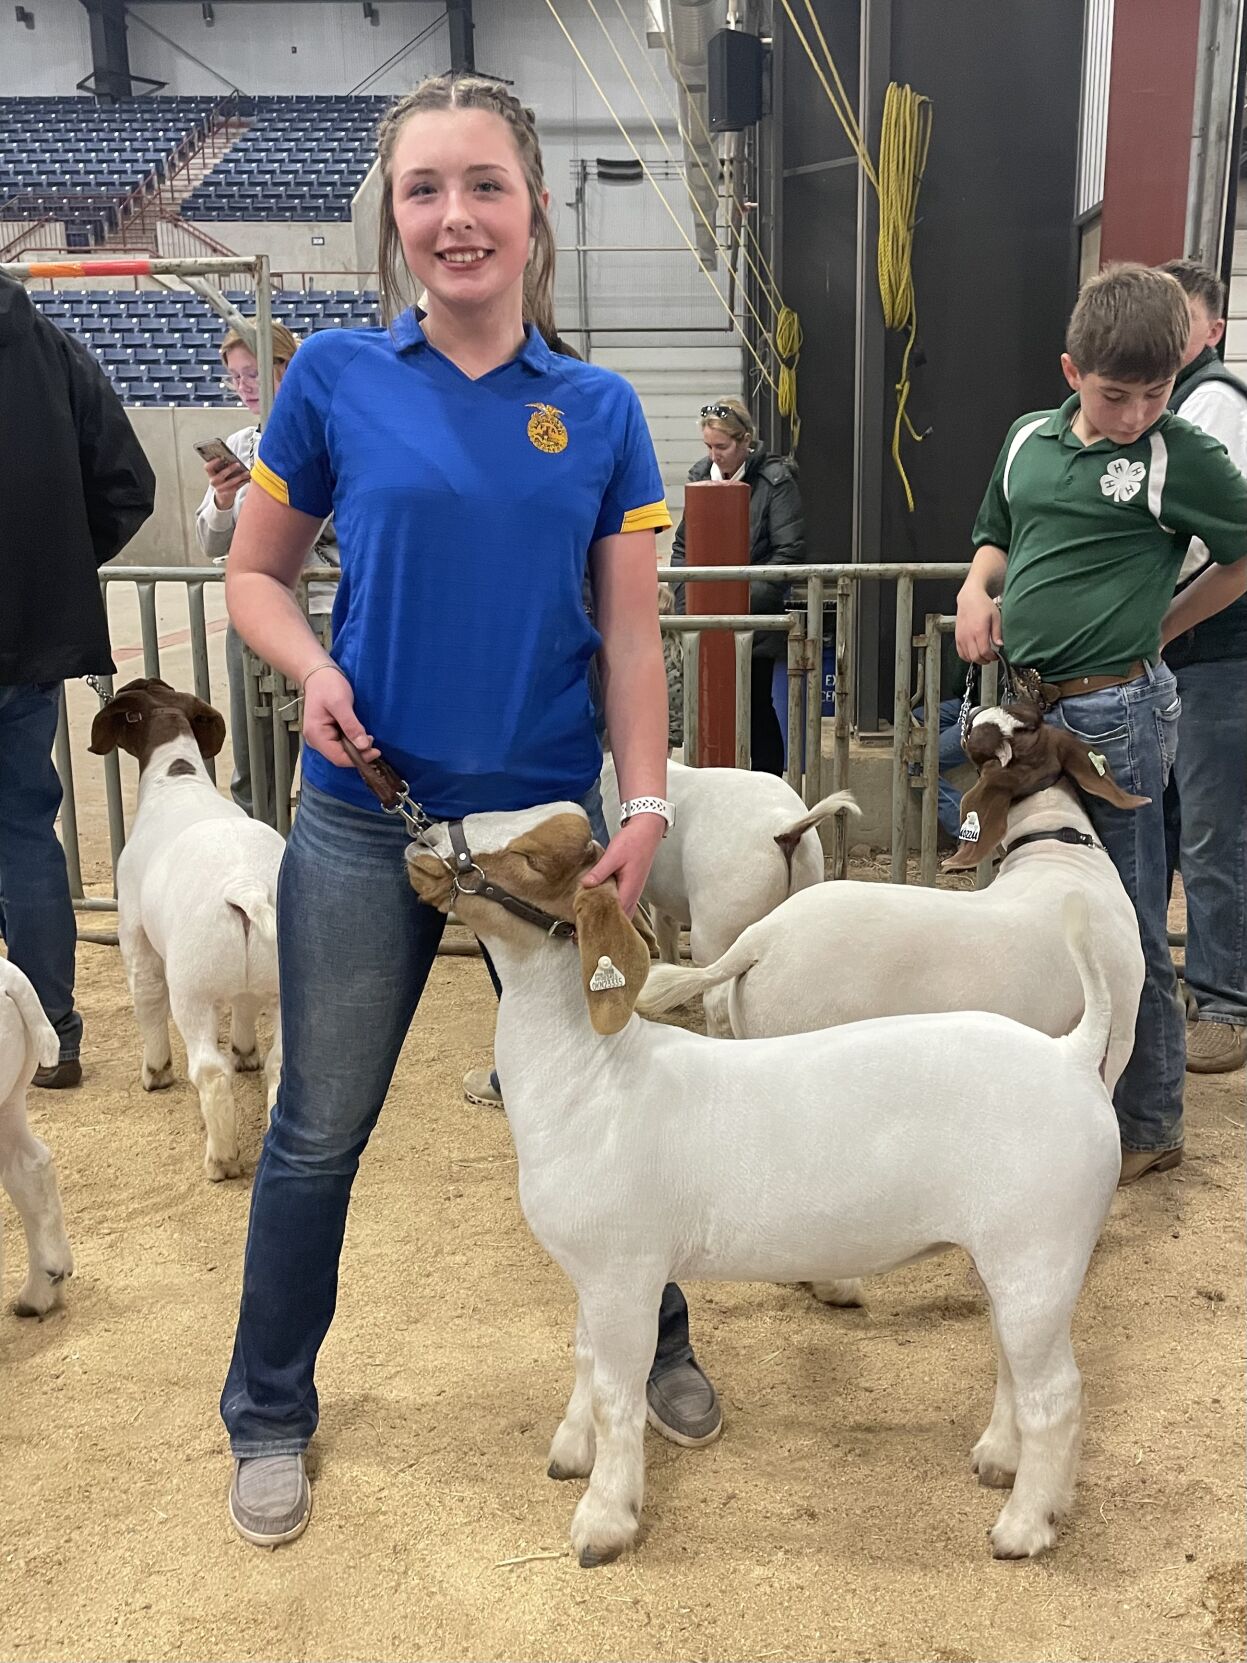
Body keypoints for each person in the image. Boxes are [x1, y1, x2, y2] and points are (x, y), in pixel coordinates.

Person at [219, 72, 720, 1549]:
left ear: (533, 207)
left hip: (544, 832)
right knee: (320, 1121)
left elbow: (631, 637)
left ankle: (663, 1337)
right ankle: (266, 1406)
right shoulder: (329, 379)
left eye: (482, 185)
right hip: (365, 814)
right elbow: (253, 575)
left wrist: (643, 803)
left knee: (611, 1095)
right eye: (423, 189)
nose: (453, 217)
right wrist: (311, 667)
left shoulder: (602, 409)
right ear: (392, 215)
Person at [958, 262, 1247, 1185]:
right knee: (1023, 896)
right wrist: (974, 587)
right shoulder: (1025, 440)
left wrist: (1161, 626)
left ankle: (1149, 1119)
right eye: (1115, 393)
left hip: (1114, 713)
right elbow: (999, 533)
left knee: (1119, 916)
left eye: (1155, 393)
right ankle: (1051, 1088)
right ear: (1070, 368)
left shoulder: (1177, 454)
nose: (1133, 414)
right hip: (1022, 702)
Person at [0, 274, 155, 1089]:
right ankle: (52, 1033)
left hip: (27, 633)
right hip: (24, 639)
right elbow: (129, 484)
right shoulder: (53, 349)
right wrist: (50, 568)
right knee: (25, 827)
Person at [1155, 258, 1246, 1074]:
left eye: (1177, 315)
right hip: (1188, 649)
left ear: (1210, 329)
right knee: (1179, 825)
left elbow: (1189, 533)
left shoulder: (1210, 400)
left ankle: (1223, 1001)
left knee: (1212, 830)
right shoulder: (1171, 404)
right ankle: (1190, 988)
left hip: (1216, 650)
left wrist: (1141, 605)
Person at [195, 322, 339, 823]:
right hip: (255, 616)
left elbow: (327, 528)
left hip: (321, 611)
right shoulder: (241, 440)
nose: (245, 386)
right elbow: (211, 541)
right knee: (258, 760)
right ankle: (261, 852)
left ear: (286, 368)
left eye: (254, 373)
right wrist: (224, 497)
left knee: (332, 752)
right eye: (235, 378)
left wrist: (267, 501)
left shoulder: (324, 434)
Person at [668, 397, 805, 774]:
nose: (715, 456)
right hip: (707, 621)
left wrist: (740, 599)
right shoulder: (701, 476)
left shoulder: (776, 481)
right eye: (709, 447)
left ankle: (767, 785)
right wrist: (687, 601)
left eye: (723, 447)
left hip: (753, 623)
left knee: (753, 706)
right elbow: (683, 546)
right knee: (710, 707)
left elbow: (789, 553)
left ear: (745, 441)